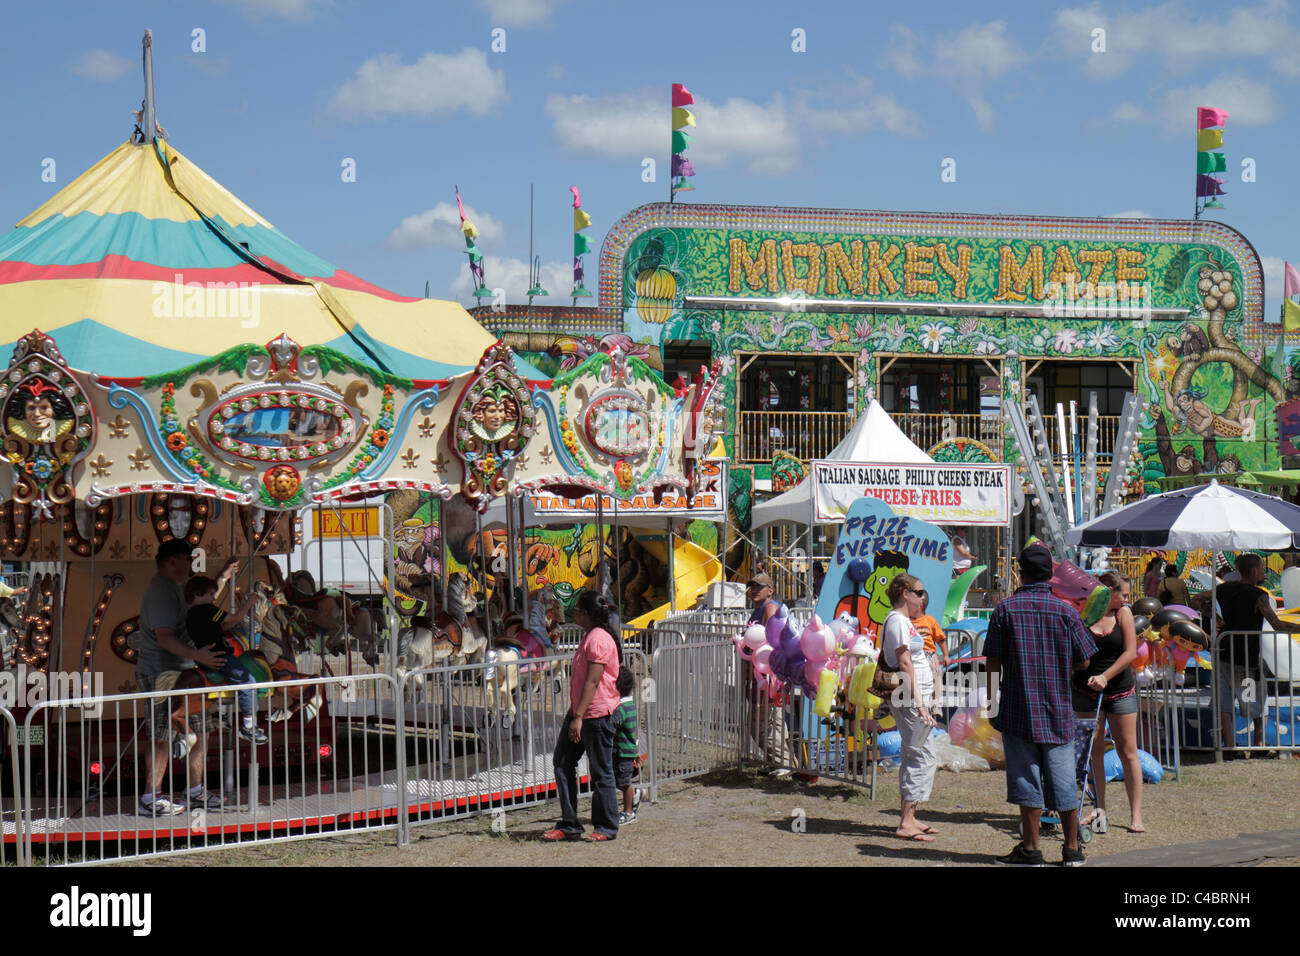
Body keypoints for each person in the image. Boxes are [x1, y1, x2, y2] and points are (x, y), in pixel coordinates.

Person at [986, 543, 1096, 866]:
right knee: (1063, 779)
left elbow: (993, 662)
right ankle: (1073, 850)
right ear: (1050, 574)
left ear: (1020, 572)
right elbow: (1085, 659)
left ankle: (1031, 849)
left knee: (1025, 779)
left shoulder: (1005, 610)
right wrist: (1064, 664)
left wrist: (992, 705)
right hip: (1057, 710)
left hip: (1018, 709)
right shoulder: (1066, 612)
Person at [135, 540, 233, 816]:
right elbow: (164, 637)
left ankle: (195, 791)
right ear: (172, 561)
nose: (191, 564)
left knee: (203, 730)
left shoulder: (176, 589)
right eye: (187, 559)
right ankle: (150, 797)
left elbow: (202, 600)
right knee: (162, 736)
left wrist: (223, 578)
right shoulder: (161, 592)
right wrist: (197, 654)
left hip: (188, 671)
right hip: (162, 672)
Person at [1197, 553, 1300, 753]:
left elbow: (1196, 600)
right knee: (1254, 702)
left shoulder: (1224, 589)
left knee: (1224, 703)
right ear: (1254, 571)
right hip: (1247, 659)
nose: (1263, 572)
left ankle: (1228, 746)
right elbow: (1277, 624)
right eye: (1261, 568)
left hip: (1224, 651)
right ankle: (1258, 745)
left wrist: (1216, 617)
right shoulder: (1257, 596)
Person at [544, 589, 621, 842]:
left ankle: (606, 827)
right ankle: (570, 824)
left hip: (594, 714)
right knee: (562, 762)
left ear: (586, 614)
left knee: (601, 771)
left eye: (577, 609)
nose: (573, 612)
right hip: (578, 712)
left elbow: (593, 680)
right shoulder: (589, 635)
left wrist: (578, 716)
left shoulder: (598, 639)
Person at [1072, 571, 1144, 833]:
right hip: (1085, 692)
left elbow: (1130, 653)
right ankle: (1098, 808)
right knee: (1094, 752)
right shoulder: (1083, 613)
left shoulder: (1123, 614)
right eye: (1123, 594)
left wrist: (1105, 676)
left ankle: (1136, 815)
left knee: (1128, 751)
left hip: (1120, 691)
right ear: (1106, 591)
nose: (1127, 600)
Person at [881, 573, 939, 841]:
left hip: (914, 697)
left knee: (913, 753)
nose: (923, 597)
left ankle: (910, 817)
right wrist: (921, 704)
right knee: (921, 755)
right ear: (905, 593)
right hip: (909, 698)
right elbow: (905, 664)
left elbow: (915, 657)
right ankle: (906, 821)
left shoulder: (904, 622)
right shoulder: (898, 621)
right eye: (919, 592)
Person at [184, 574, 268, 745]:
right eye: (210, 595)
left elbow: (223, 625)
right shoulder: (207, 609)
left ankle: (218, 713)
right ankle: (248, 726)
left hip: (207, 655)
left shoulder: (194, 614)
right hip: (221, 656)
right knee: (248, 681)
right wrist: (249, 604)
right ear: (197, 594)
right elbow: (235, 618)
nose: (213, 598)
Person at [746, 573, 794, 777]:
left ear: (770, 590)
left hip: (769, 677)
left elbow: (769, 643)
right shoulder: (759, 610)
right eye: (752, 587)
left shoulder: (770, 608)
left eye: (759, 587)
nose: (754, 590)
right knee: (769, 722)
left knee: (763, 723)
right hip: (762, 676)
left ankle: (783, 763)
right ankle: (780, 762)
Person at [612, 668, 643, 825]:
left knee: (623, 783)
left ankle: (628, 812)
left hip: (622, 752)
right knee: (620, 781)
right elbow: (634, 731)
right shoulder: (630, 705)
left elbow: (613, 724)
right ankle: (635, 793)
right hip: (628, 751)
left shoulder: (620, 709)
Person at [909, 589, 948, 694]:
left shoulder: (930, 620)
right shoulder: (906, 620)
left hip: (929, 653)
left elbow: (941, 639)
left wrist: (946, 655)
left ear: (920, 604)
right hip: (912, 654)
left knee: (937, 673)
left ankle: (936, 705)